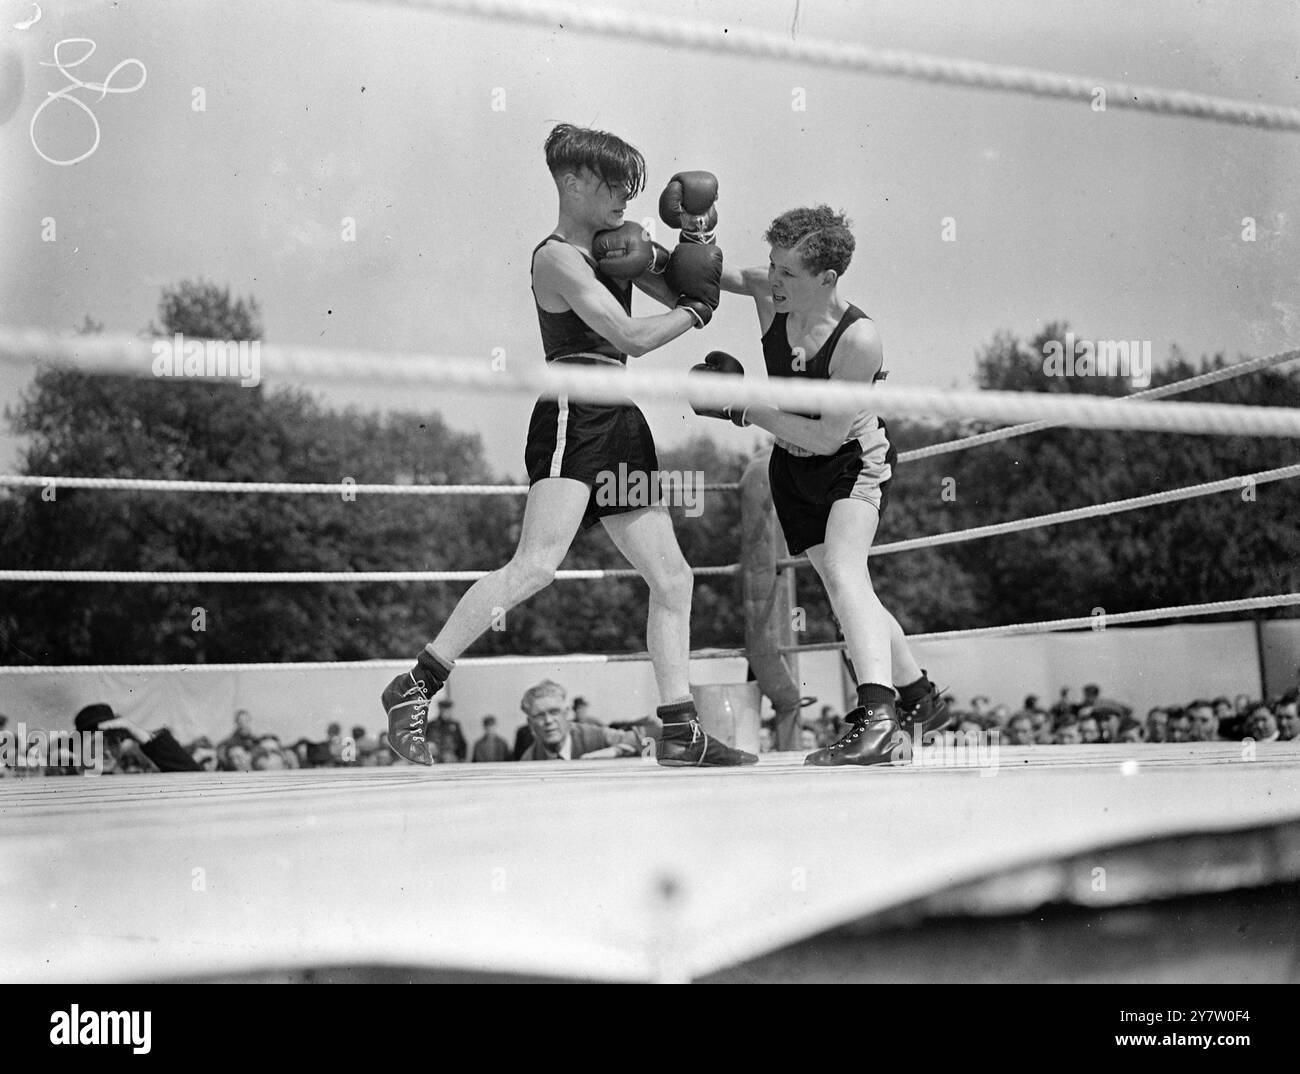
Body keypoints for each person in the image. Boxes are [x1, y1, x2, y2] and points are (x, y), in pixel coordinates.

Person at [380, 124, 754, 768]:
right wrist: (694, 313)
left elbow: (687, 288)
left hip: (622, 424)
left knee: (672, 576)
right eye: (613, 186)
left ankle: (680, 730)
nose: (625, 200)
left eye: (631, 189)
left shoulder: (622, 245)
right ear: (574, 182)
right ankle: (415, 685)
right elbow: (634, 335)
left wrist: (695, 241)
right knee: (536, 566)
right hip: (572, 414)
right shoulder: (555, 257)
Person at [706, 204, 948, 766]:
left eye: (788, 273)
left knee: (844, 572)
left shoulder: (858, 340)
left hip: (848, 461)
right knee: (849, 587)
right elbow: (697, 273)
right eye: (773, 267)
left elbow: (825, 438)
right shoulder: (772, 294)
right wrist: (631, 253)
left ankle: (879, 718)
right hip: (791, 469)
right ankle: (919, 696)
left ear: (827, 278)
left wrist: (747, 410)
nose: (774, 280)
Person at [518, 680, 642, 761]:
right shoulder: (529, 759)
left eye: (554, 712)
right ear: (530, 724)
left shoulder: (596, 736)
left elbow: (644, 741)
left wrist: (614, 751)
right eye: (539, 715)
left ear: (567, 714)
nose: (548, 720)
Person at [76, 703, 203, 773]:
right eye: (97, 744)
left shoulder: (133, 778)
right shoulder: (60, 780)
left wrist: (143, 737)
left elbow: (195, 779)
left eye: (113, 743)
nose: (107, 752)